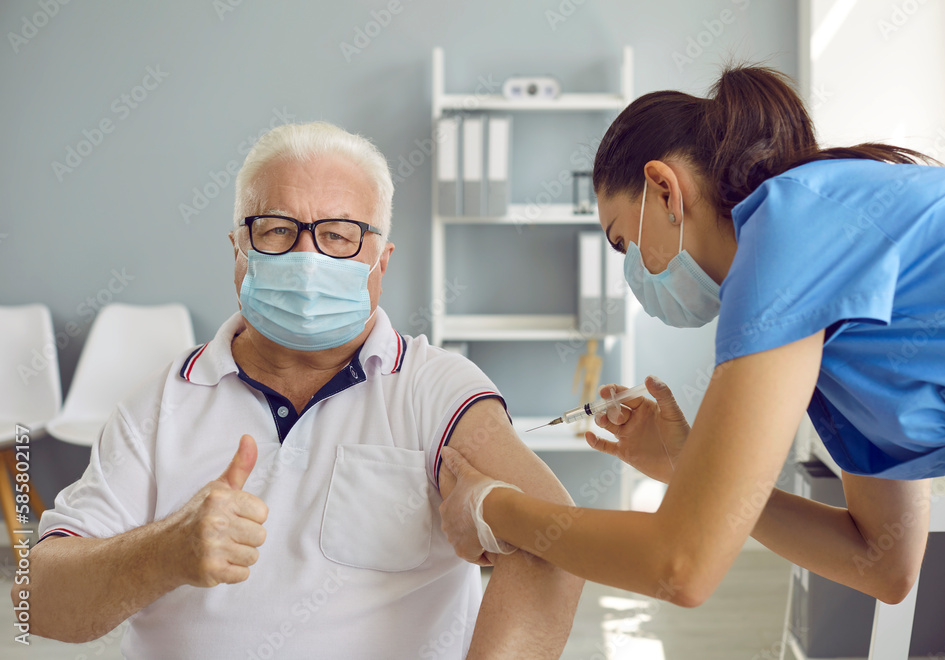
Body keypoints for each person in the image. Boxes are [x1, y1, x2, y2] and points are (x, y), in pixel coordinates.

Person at [438, 65, 945, 608]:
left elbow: (681, 568)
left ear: (664, 190)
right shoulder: (825, 328)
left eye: (621, 243)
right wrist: (686, 471)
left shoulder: (789, 235)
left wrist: (494, 507)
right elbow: (881, 562)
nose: (632, 269)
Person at [20, 122, 582, 658]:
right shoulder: (162, 403)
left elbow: (557, 545)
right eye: (277, 230)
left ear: (381, 260)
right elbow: (37, 602)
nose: (307, 257)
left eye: (339, 234)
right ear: (238, 249)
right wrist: (165, 552)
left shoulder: (435, 391)